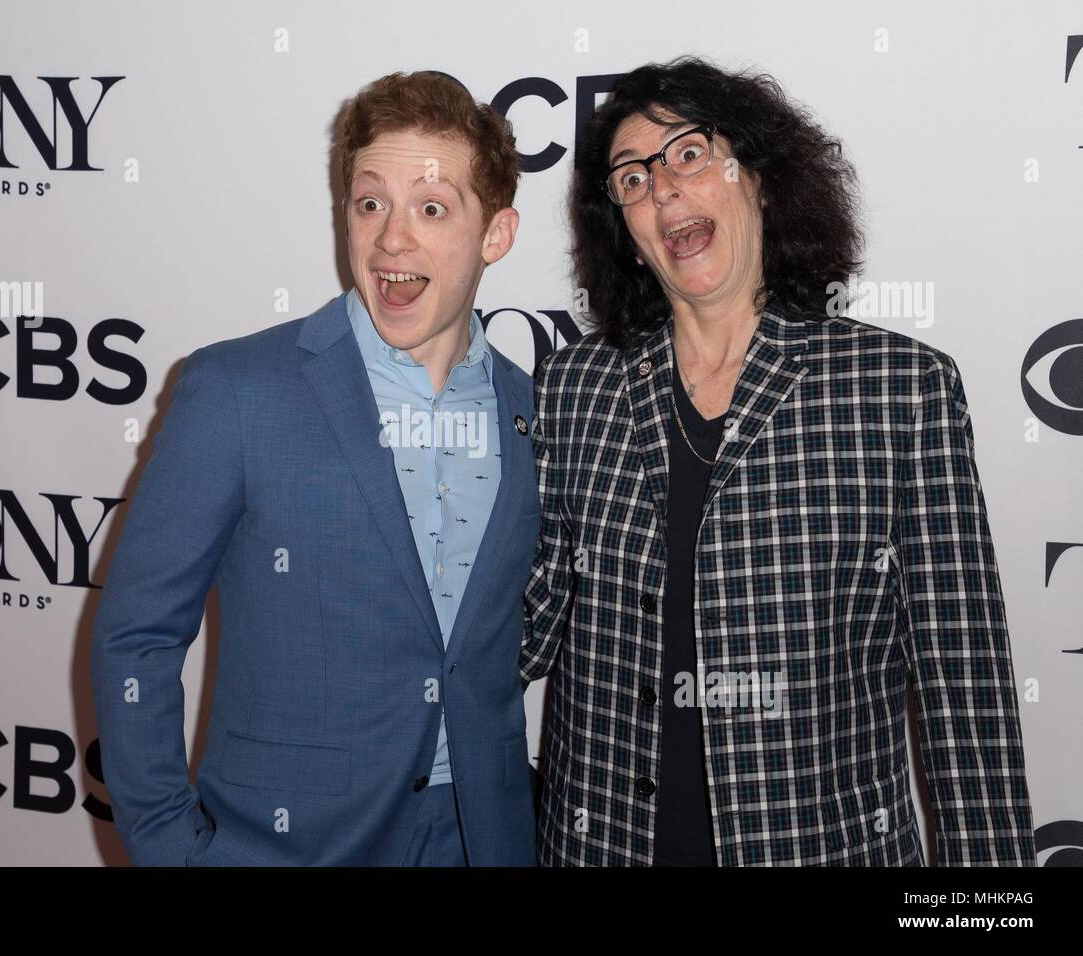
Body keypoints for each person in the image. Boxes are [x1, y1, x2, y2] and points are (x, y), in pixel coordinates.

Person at [521, 56, 1035, 866]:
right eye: (630, 178)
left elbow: (962, 688)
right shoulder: (576, 384)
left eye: (688, 154)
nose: (661, 190)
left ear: (757, 175)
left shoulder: (900, 390)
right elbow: (522, 617)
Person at [92, 71, 538, 866]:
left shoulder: (532, 409)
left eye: (431, 209)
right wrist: (171, 848)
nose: (391, 240)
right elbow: (136, 635)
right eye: (371, 204)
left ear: (496, 234)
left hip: (484, 837)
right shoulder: (237, 391)